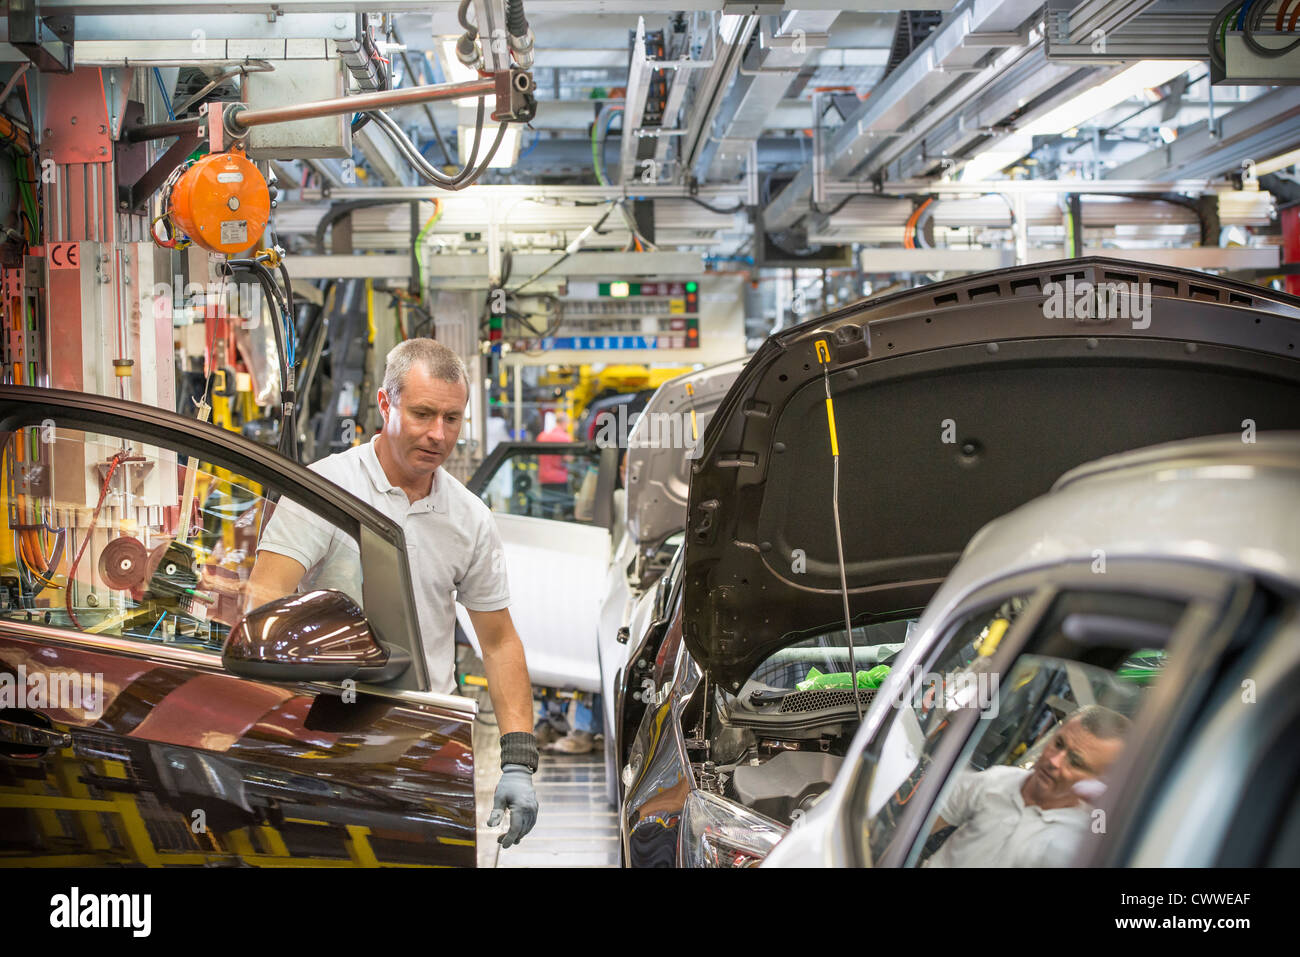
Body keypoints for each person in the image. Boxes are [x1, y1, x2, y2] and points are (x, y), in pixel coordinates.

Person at [247, 338, 539, 849]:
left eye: (452, 418)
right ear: (385, 404)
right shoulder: (326, 490)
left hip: (428, 737)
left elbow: (499, 642)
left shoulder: (468, 518)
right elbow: (265, 597)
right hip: (326, 733)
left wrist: (517, 759)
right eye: (423, 413)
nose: (438, 435)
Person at [923, 704, 1129, 868]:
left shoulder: (1086, 838)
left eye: (1075, 761)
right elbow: (920, 828)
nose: (1054, 761)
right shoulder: (997, 780)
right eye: (1058, 744)